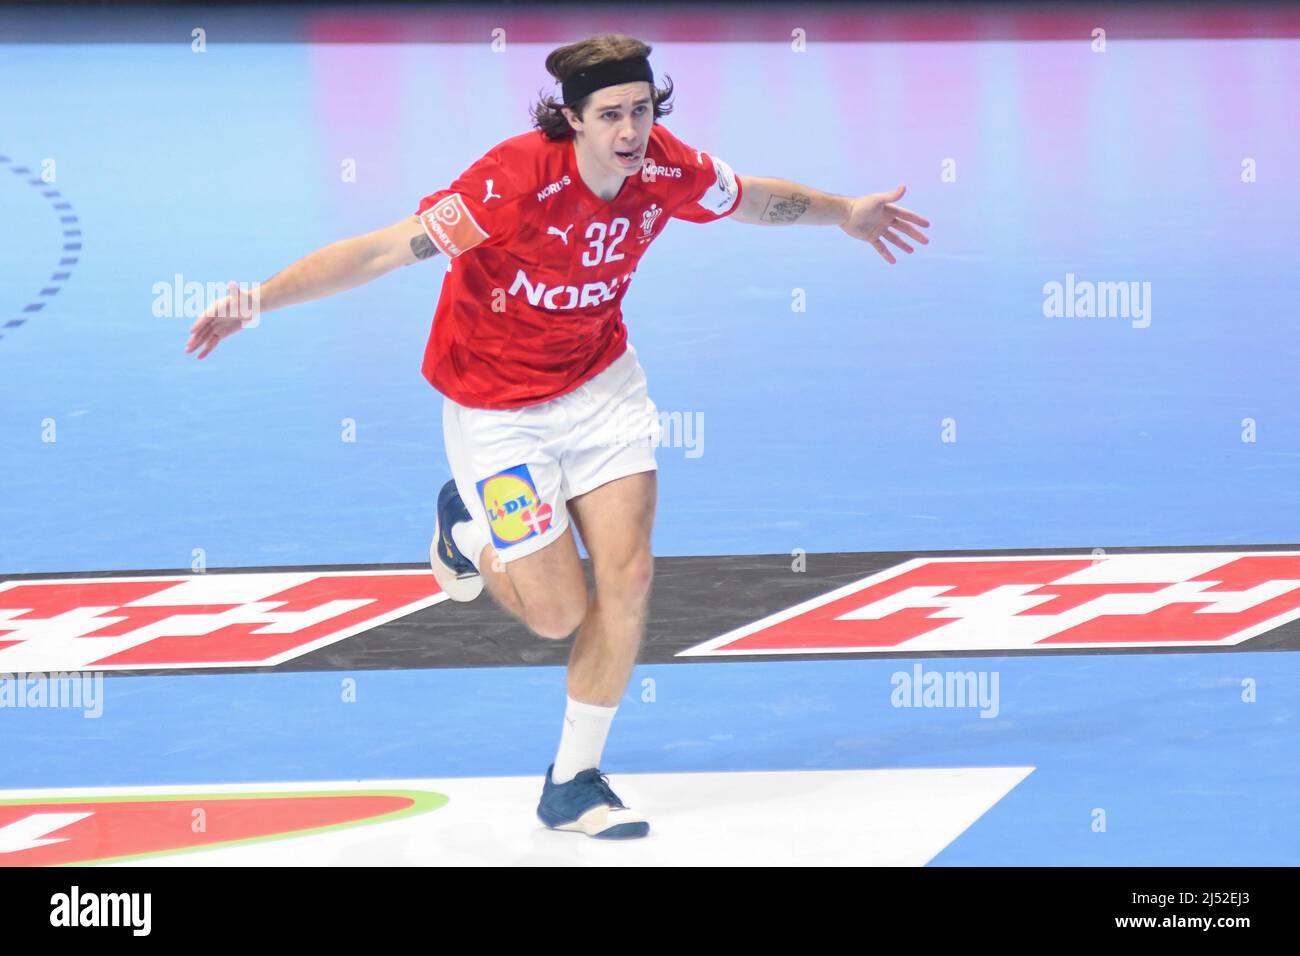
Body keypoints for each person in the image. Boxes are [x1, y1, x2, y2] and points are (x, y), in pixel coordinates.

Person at [185, 33, 930, 840]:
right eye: (610, 114)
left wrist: (845, 213)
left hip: (601, 387)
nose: (630, 130)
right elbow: (380, 251)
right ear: (571, 119)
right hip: (495, 408)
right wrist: (257, 300)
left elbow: (747, 196)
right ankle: (466, 530)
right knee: (554, 614)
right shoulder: (508, 184)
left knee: (630, 576)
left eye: (641, 109)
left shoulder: (664, 168)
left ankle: (573, 781)